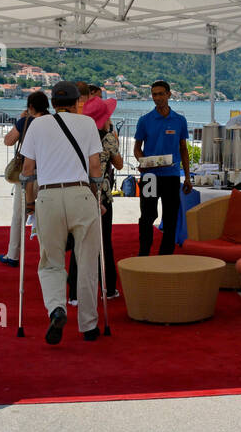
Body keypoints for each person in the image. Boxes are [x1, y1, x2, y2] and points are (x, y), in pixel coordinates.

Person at [18, 81, 104, 344]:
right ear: (78, 101)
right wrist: (96, 194)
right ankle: (88, 326)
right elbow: (95, 168)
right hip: (80, 194)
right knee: (88, 261)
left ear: (53, 102)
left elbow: (28, 169)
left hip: (49, 196)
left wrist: (30, 203)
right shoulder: (88, 124)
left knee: (51, 261)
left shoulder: (37, 124)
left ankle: (57, 308)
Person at [133, 80, 192, 256]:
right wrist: (143, 162)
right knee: (148, 215)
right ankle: (144, 252)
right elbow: (137, 148)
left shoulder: (179, 120)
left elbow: (183, 149)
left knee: (171, 216)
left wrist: (187, 177)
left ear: (169, 94)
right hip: (150, 176)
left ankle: (165, 254)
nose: (157, 98)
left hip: (171, 176)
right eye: (154, 94)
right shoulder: (145, 120)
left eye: (160, 94)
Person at [0, 91, 49, 267]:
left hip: (26, 174)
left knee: (18, 215)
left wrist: (22, 121)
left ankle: (13, 254)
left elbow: (8, 141)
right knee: (45, 216)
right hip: (48, 175)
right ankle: (46, 255)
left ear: (30, 106)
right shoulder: (52, 122)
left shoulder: (26, 122)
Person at [82, 92, 123, 298]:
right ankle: (109, 287)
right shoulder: (107, 138)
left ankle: (76, 290)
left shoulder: (80, 136)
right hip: (102, 193)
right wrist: (113, 138)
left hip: (81, 191)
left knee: (82, 242)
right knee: (104, 241)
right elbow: (119, 163)